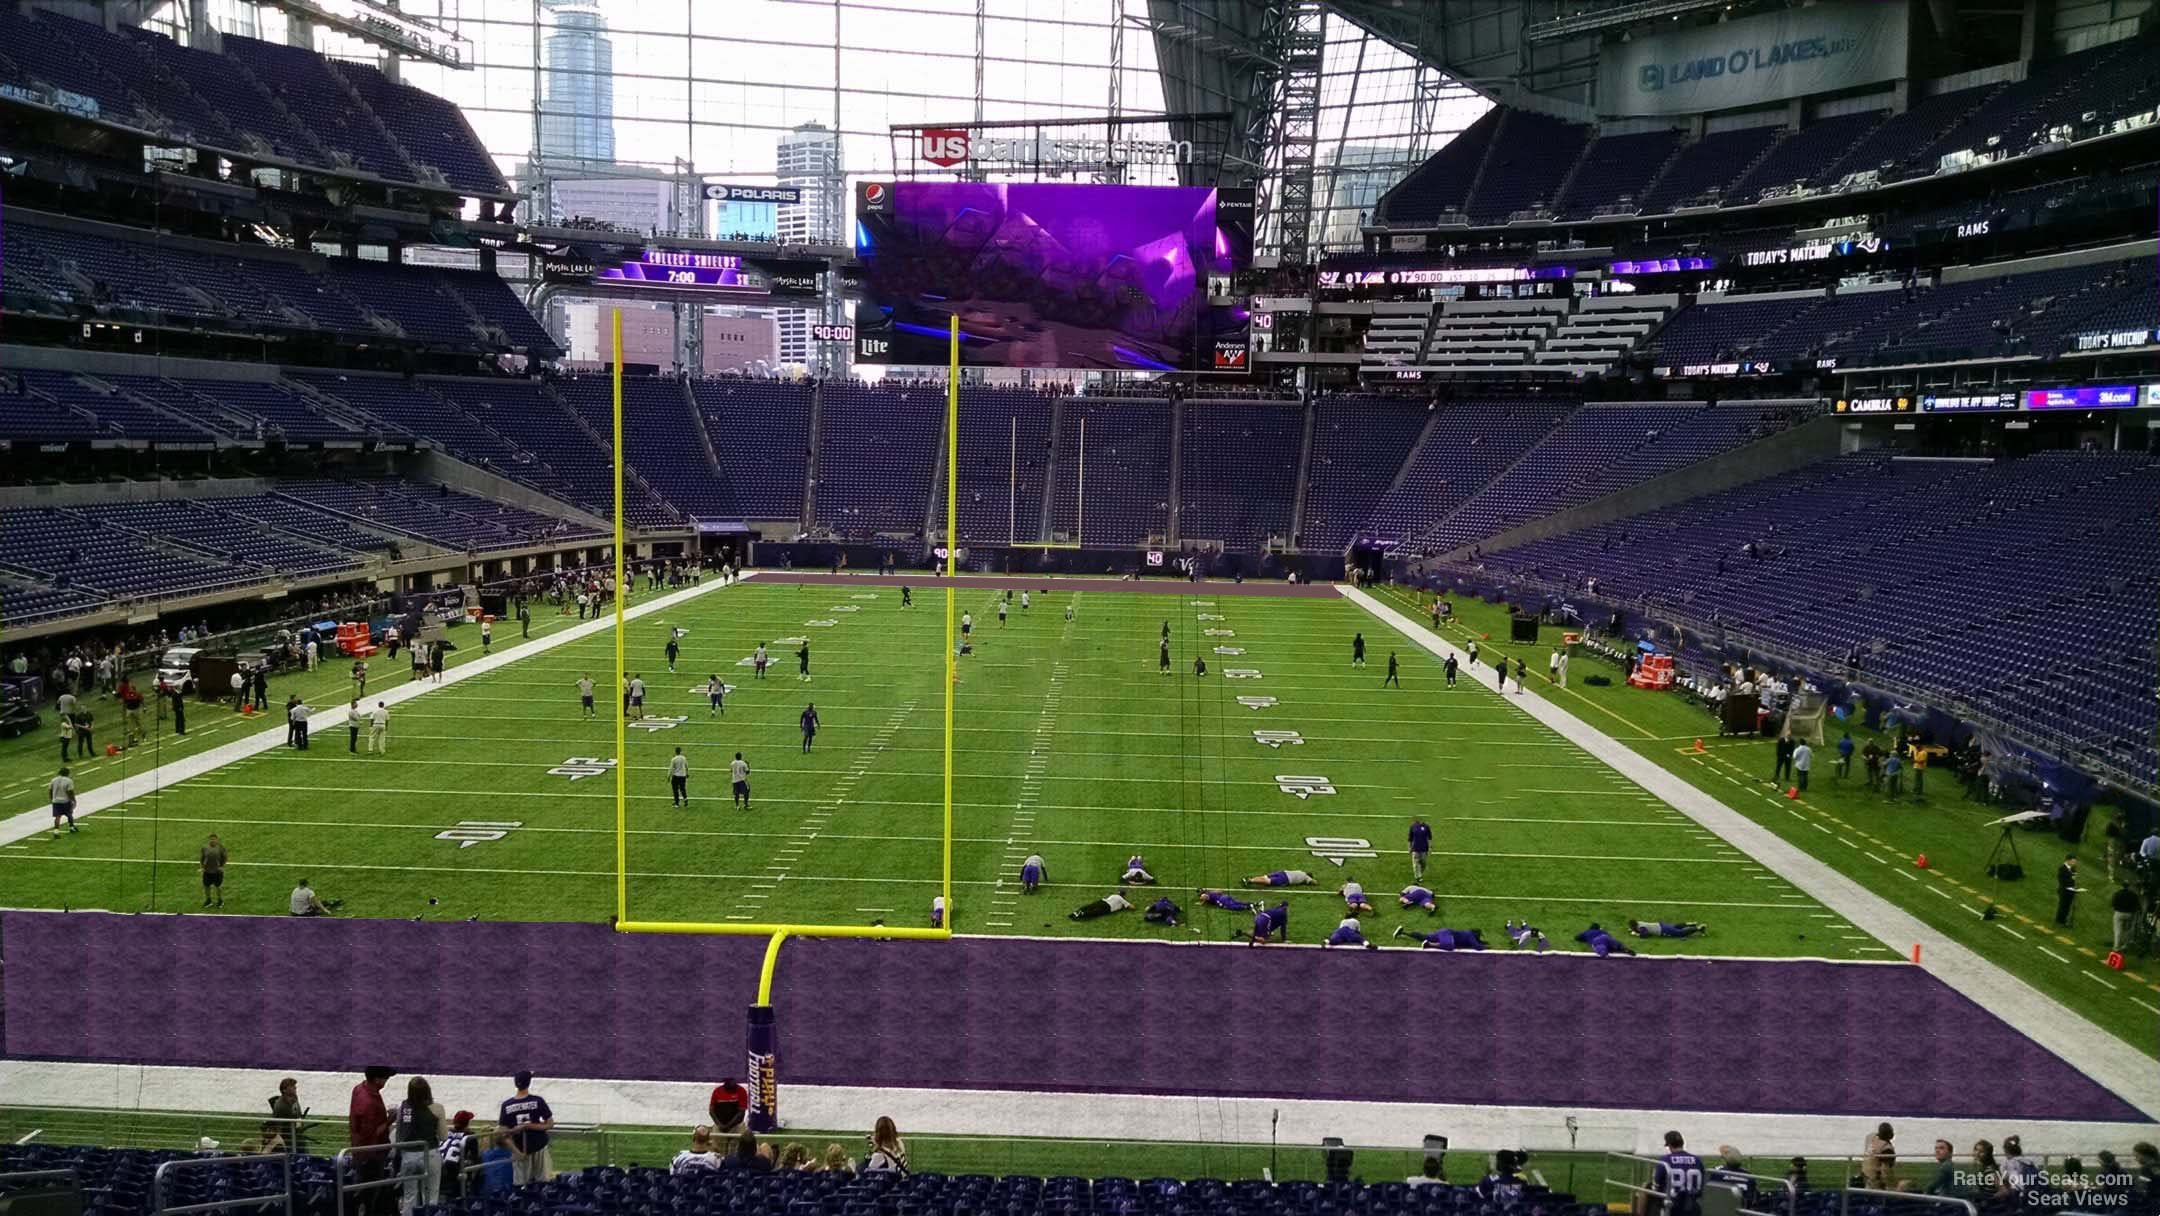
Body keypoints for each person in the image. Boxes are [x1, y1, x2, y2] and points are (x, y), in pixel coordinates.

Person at [394, 1077, 445, 1216]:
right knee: (431, 1196)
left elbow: (399, 1133)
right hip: (430, 1154)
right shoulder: (437, 1108)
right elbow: (443, 1136)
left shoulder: (403, 1108)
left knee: (409, 1197)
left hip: (409, 1156)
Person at [348, 1068, 395, 1216]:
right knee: (370, 1192)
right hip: (371, 1155)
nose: (385, 1082)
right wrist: (390, 1120)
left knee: (362, 1187)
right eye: (385, 1079)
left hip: (359, 1151)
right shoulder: (369, 1103)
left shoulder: (359, 1089)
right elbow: (372, 1133)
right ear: (377, 1079)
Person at [499, 1072, 555, 1184]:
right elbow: (549, 1124)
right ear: (529, 1083)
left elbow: (503, 1133)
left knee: (521, 1184)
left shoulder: (506, 1105)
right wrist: (530, 1125)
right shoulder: (538, 1101)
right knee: (543, 1182)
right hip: (539, 1145)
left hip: (519, 1148)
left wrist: (517, 1152)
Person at [1653, 1131, 1705, 1216]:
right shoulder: (1697, 1160)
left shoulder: (1665, 1160)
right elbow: (1703, 1184)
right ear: (1682, 1143)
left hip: (1672, 1206)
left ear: (1669, 1145)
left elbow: (1656, 1185)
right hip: (1693, 1206)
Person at [438, 1112, 482, 1200]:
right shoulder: (469, 1136)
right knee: (479, 1164)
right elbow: (475, 1158)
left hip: (439, 1167)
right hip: (453, 1173)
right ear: (467, 1123)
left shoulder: (446, 1132)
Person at [1862, 1123, 1896, 1192]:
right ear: (1889, 1134)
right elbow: (1885, 1170)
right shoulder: (1887, 1149)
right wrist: (1890, 1186)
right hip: (1876, 1181)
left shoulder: (1870, 1137)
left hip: (1865, 1175)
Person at [1394, 926, 1487, 950]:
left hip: (1443, 932)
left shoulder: (1468, 934)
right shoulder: (1470, 935)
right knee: (1450, 946)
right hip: (1447, 935)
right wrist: (1486, 947)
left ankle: (1403, 932)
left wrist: (1483, 943)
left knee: (1424, 936)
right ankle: (1429, 945)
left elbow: (1477, 942)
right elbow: (1476, 946)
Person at [1068, 888, 1135, 920]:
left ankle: (1076, 912)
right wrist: (1127, 905)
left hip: (1102, 901)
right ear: (1124, 895)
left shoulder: (1113, 895)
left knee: (1090, 906)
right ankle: (1081, 915)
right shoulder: (1121, 899)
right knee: (1095, 913)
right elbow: (1132, 907)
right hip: (1108, 908)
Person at [48, 766, 77, 837]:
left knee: (57, 817)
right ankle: (71, 827)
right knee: (69, 814)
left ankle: (56, 831)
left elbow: (50, 790)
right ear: (67, 773)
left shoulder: (53, 780)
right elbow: (70, 791)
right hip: (65, 801)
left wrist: (52, 799)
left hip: (56, 801)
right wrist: (73, 800)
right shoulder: (69, 781)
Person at [200, 834, 227, 907]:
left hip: (217, 871)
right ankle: (208, 900)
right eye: (211, 839)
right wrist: (202, 867)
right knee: (206, 886)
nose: (212, 840)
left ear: (217, 840)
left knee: (218, 887)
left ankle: (220, 900)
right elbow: (202, 858)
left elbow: (224, 858)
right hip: (207, 871)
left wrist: (221, 866)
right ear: (209, 840)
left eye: (214, 839)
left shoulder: (221, 848)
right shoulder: (205, 848)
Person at [2113, 884, 2141, 952]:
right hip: (2129, 914)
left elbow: (2113, 903)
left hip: (2119, 913)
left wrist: (2116, 909)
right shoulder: (2133, 895)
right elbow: (2137, 906)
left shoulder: (2118, 893)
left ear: (2122, 886)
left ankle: (2116, 947)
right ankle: (2125, 946)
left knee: (2118, 931)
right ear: (2129, 887)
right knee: (2127, 931)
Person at [1628, 918, 1707, 939]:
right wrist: (1634, 930)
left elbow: (1645, 935)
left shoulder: (1641, 927)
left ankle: (1698, 928)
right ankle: (1690, 924)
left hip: (1662, 930)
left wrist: (1636, 934)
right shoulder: (1639, 922)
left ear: (1634, 926)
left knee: (1680, 933)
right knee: (1675, 926)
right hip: (1661, 925)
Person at [2058, 856, 2079, 926]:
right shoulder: (2062, 868)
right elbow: (2062, 881)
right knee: (2063, 906)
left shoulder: (2072, 869)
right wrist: (2072, 879)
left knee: (2067, 906)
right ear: (2068, 860)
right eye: (2073, 861)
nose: (2074, 863)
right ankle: (2060, 920)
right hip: (2064, 890)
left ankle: (2064, 919)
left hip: (2071, 891)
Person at [1245, 869, 1315, 887]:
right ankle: (1251, 881)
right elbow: (1314, 882)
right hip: (1286, 879)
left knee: (1265, 876)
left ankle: (1251, 879)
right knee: (1268, 881)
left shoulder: (1300, 871)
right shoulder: (1306, 877)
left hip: (1283, 872)